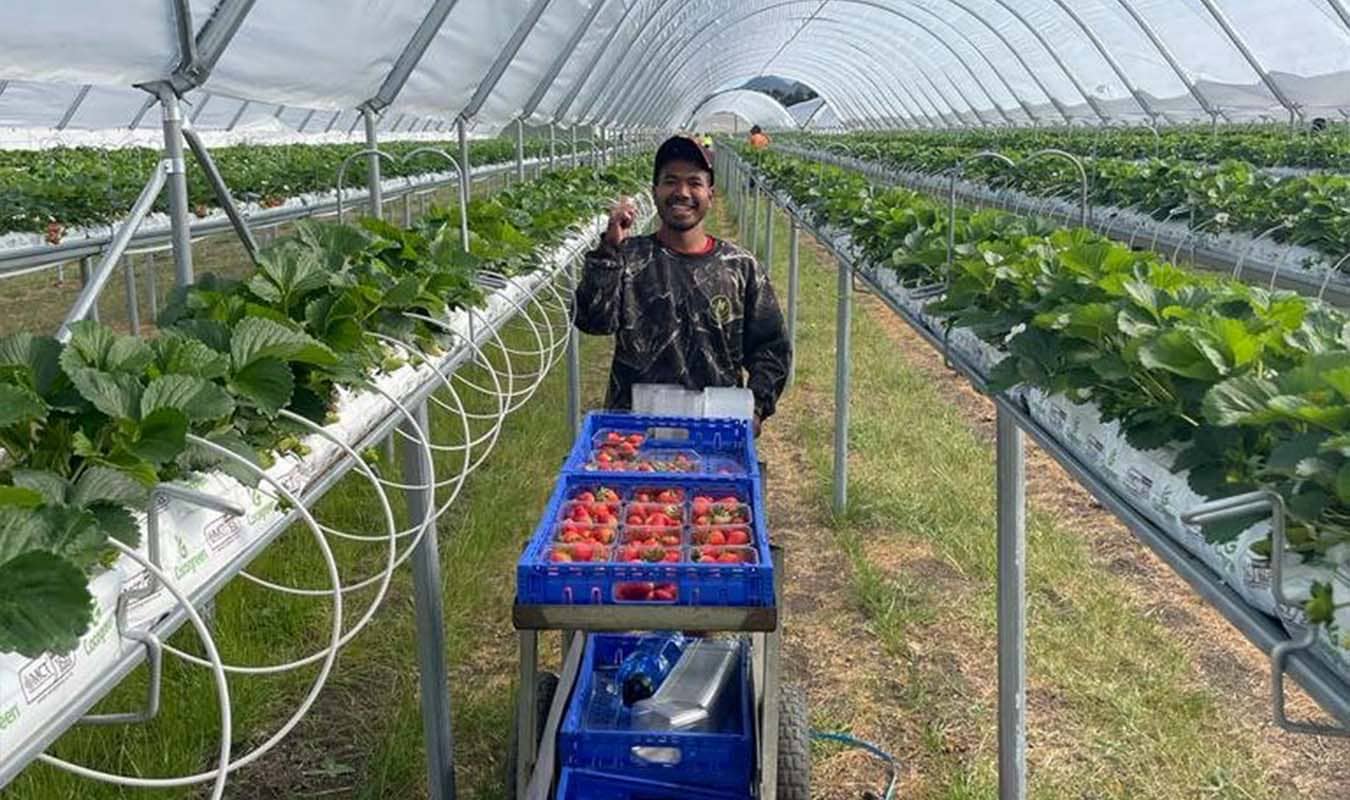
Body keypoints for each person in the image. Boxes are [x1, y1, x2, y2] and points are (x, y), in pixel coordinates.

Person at [574, 135, 790, 435]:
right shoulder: (629, 258)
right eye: (671, 181)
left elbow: (771, 348)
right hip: (635, 435)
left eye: (694, 182)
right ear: (654, 192)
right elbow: (592, 321)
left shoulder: (740, 266)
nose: (682, 192)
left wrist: (755, 409)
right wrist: (608, 251)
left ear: (710, 194)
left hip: (715, 433)